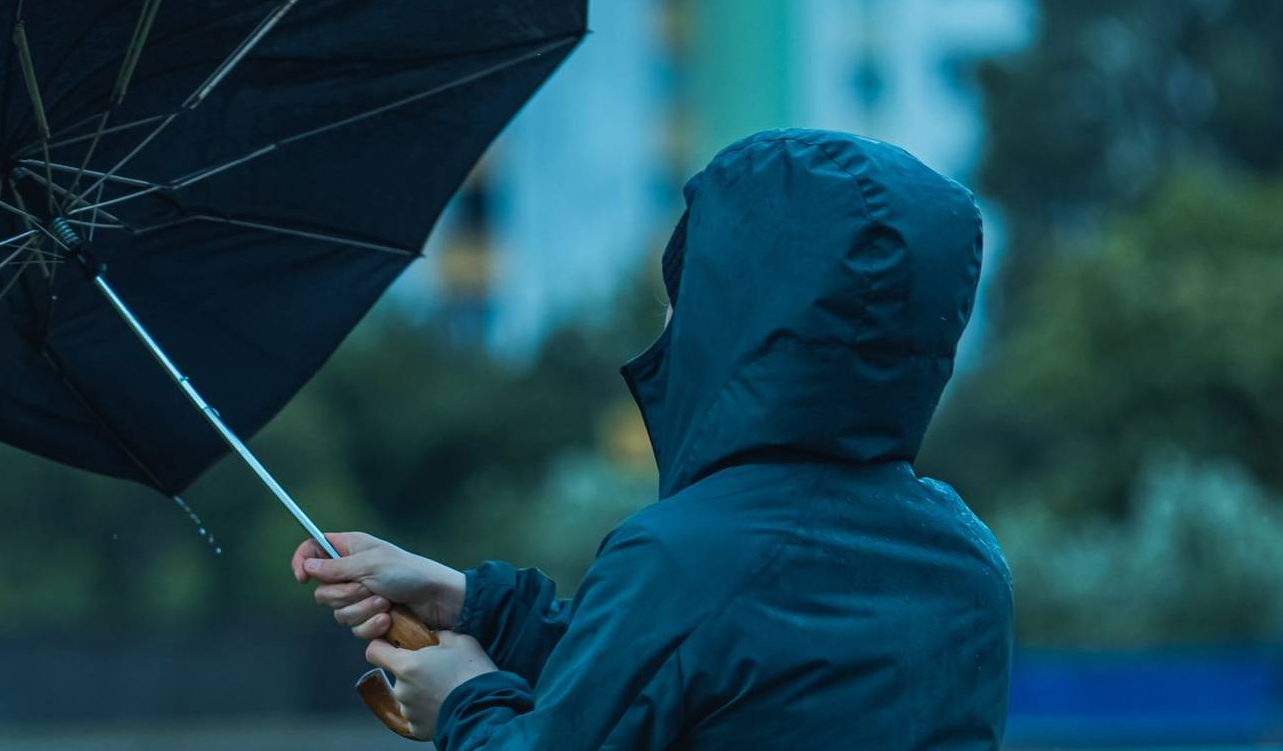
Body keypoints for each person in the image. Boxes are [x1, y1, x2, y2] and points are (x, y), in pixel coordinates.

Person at [291, 130, 1014, 749]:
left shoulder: (683, 558)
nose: (668, 322)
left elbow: (669, 656)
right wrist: (475, 604)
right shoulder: (966, 559)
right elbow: (705, 672)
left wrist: (462, 703)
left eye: (687, 296)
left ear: (736, 321)